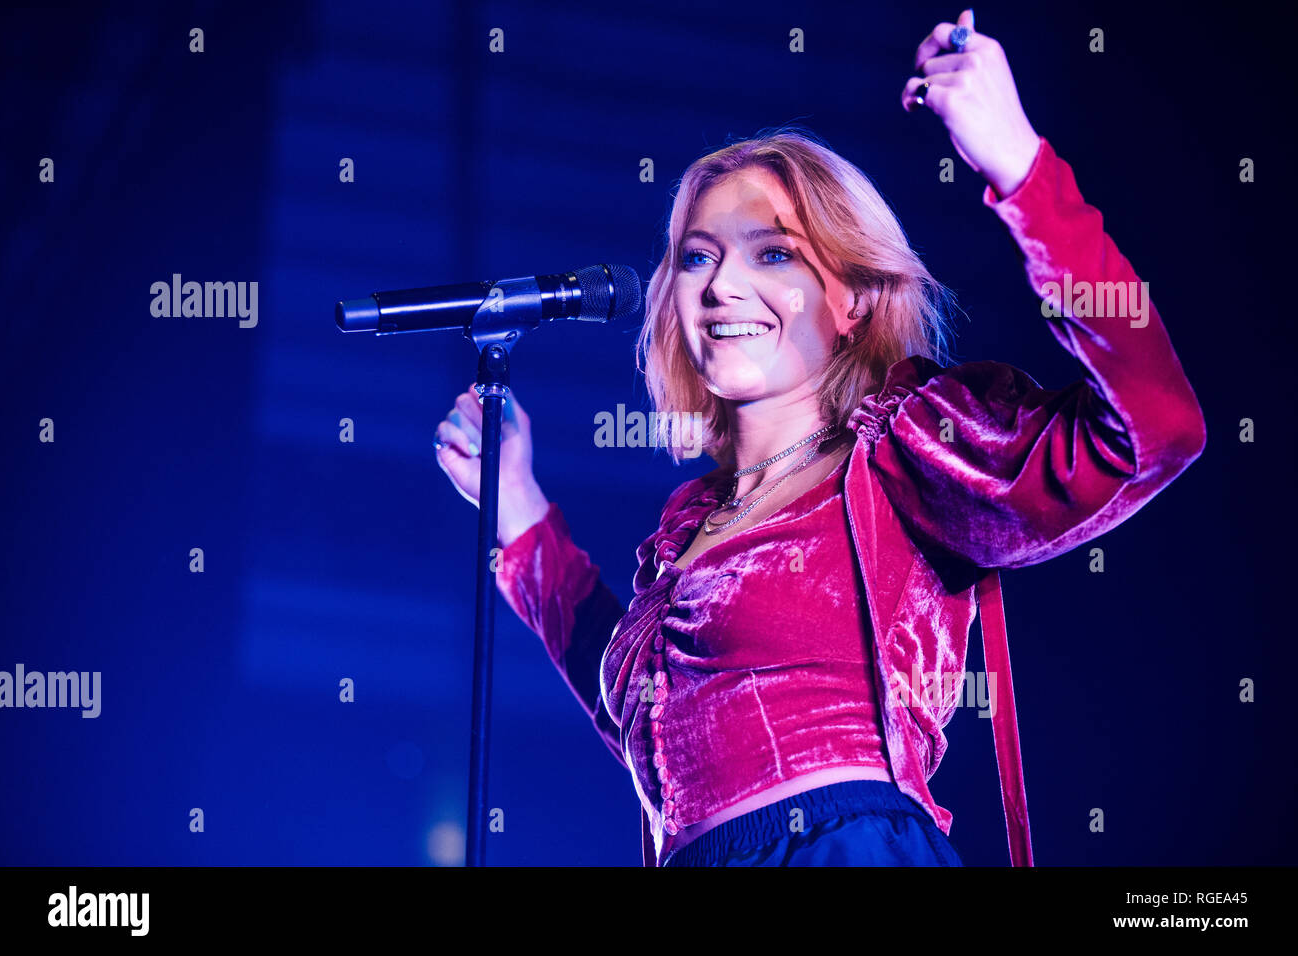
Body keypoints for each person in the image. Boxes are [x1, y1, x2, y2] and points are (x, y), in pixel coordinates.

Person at [433, 10, 1205, 866]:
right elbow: (656, 728)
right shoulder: (685, 529)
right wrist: (520, 511)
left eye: (772, 255)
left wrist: (1020, 166)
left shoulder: (900, 452)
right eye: (696, 257)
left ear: (853, 302)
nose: (723, 283)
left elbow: (1153, 432)